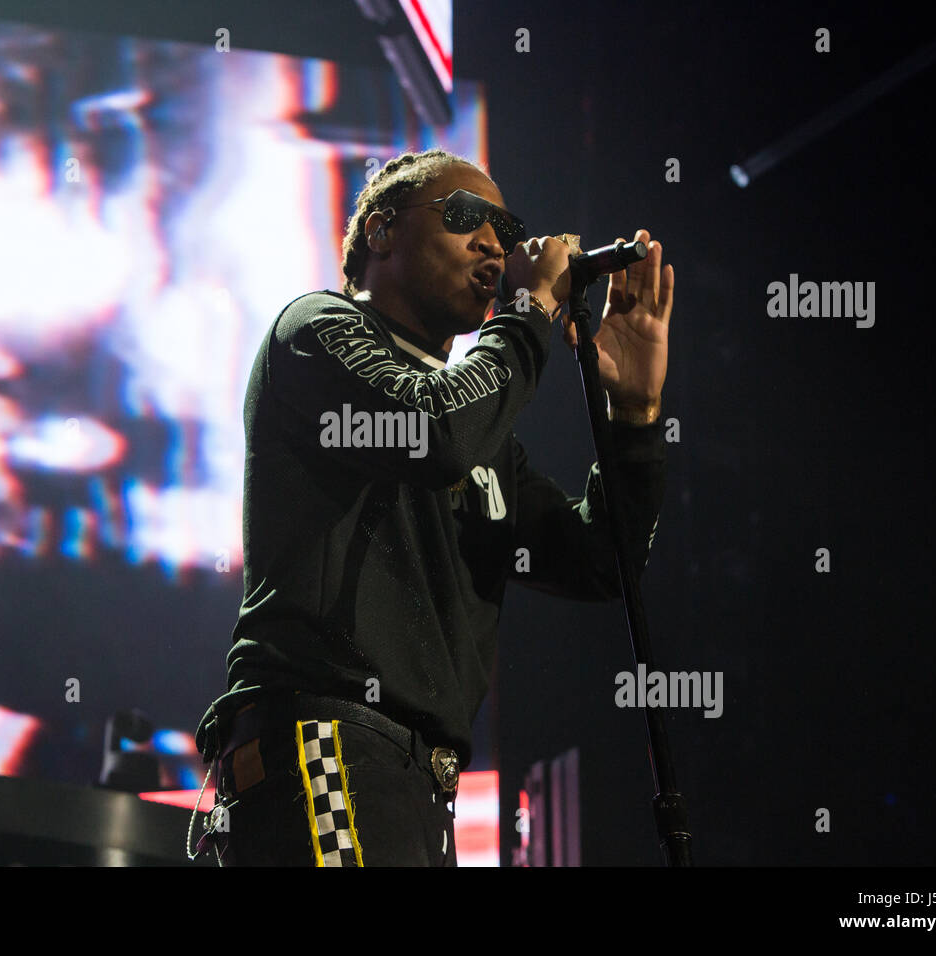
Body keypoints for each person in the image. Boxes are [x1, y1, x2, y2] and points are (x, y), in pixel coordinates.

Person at [192, 148, 673, 866]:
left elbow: (603, 563)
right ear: (382, 233)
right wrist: (530, 306)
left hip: (424, 783)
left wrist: (634, 418)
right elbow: (431, 432)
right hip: (322, 737)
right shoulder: (318, 330)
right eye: (464, 218)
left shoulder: (482, 439)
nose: (494, 243)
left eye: (505, 232)